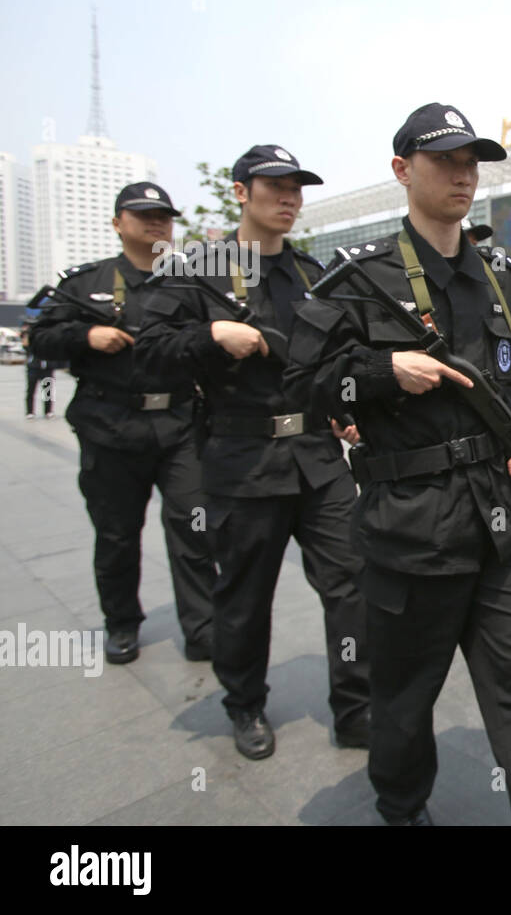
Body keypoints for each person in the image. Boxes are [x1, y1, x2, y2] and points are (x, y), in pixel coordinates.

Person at [284, 103, 511, 826]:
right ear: (402, 170)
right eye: (446, 161)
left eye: (472, 162)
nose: (463, 176)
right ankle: (403, 808)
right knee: (405, 698)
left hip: (497, 526)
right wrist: (382, 371)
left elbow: (501, 390)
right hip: (409, 530)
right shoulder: (359, 278)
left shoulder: (501, 278)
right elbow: (298, 387)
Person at [134, 148, 369, 759]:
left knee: (351, 583)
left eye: (297, 189)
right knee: (243, 596)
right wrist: (211, 336)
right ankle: (245, 704)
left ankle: (356, 705)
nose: (289, 199)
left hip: (317, 455)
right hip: (241, 459)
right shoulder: (195, 271)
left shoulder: (314, 274)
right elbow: (148, 351)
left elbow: (338, 357)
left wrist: (347, 412)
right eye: (276, 187)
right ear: (241, 192)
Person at [29, 183, 215, 665]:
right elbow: (40, 336)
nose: (157, 223)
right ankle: (122, 623)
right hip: (111, 426)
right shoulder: (85, 282)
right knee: (116, 533)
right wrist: (86, 334)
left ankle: (203, 627)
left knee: (195, 528)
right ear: (118, 223)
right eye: (145, 215)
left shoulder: (193, 282)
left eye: (164, 216)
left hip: (179, 425)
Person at [22, 325, 55, 419]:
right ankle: (30, 412)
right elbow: (25, 344)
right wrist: (27, 332)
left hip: (47, 369)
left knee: (47, 391)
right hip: (33, 368)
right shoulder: (31, 342)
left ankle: (48, 411)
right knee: (31, 390)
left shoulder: (48, 344)